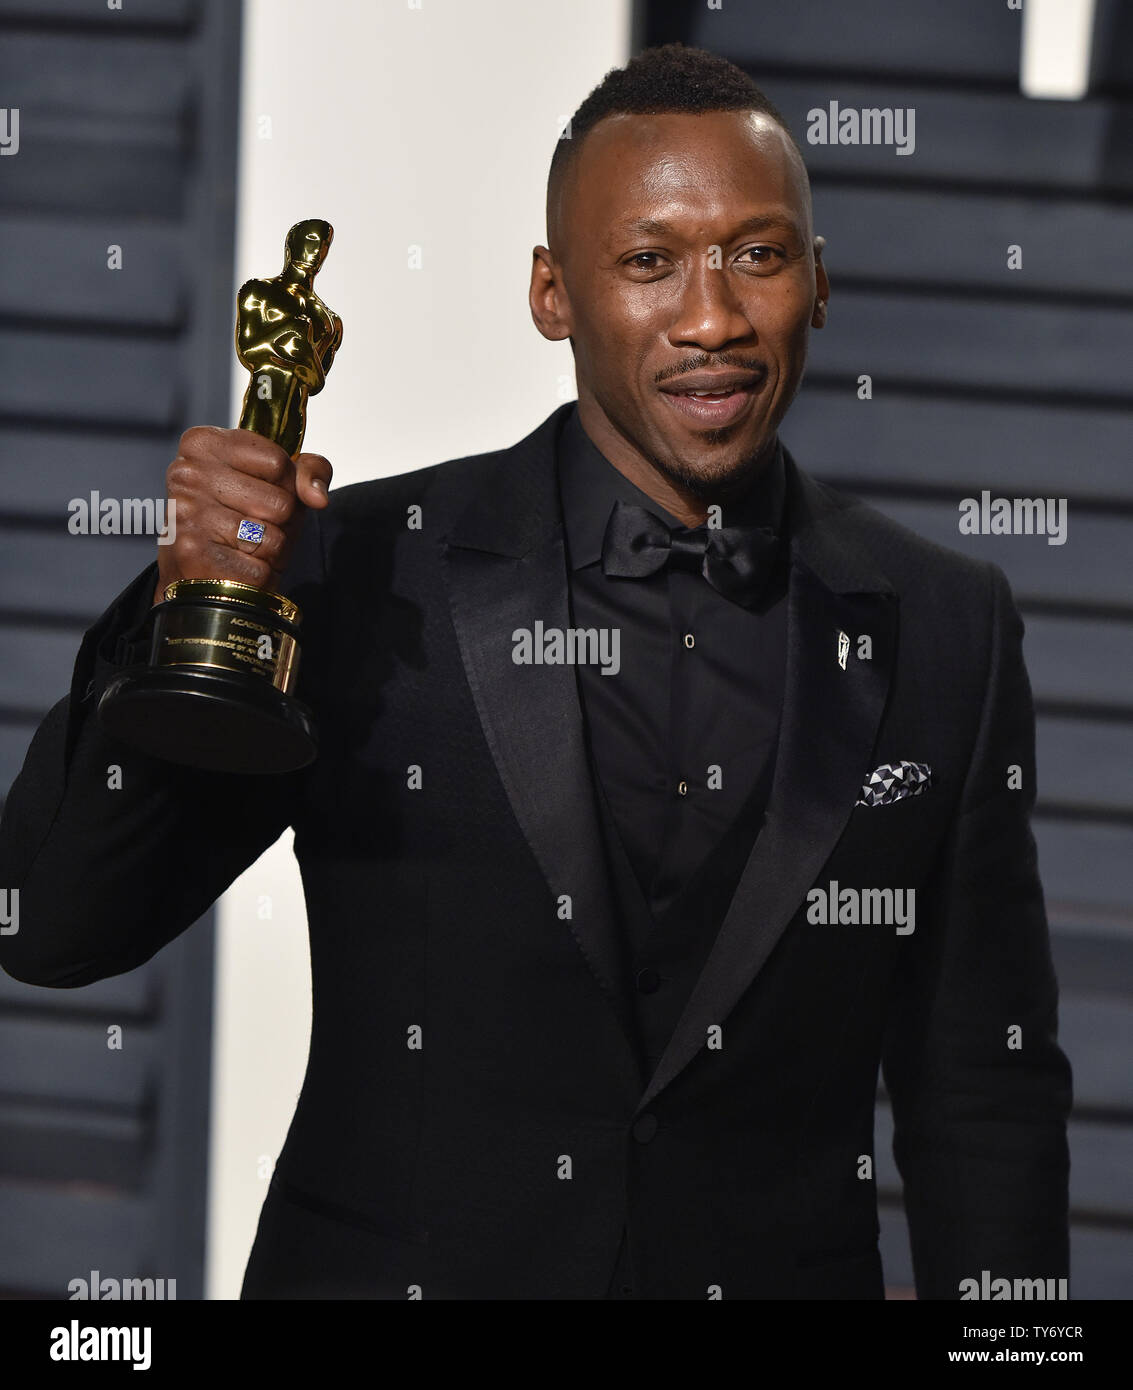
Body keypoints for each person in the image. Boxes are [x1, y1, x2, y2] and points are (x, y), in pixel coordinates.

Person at [0, 43, 1071, 1300]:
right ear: (551, 294)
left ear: (818, 283)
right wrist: (185, 605)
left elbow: (982, 1088)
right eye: (647, 260)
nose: (710, 316)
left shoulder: (946, 623)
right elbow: (57, 926)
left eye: (757, 254)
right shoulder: (358, 576)